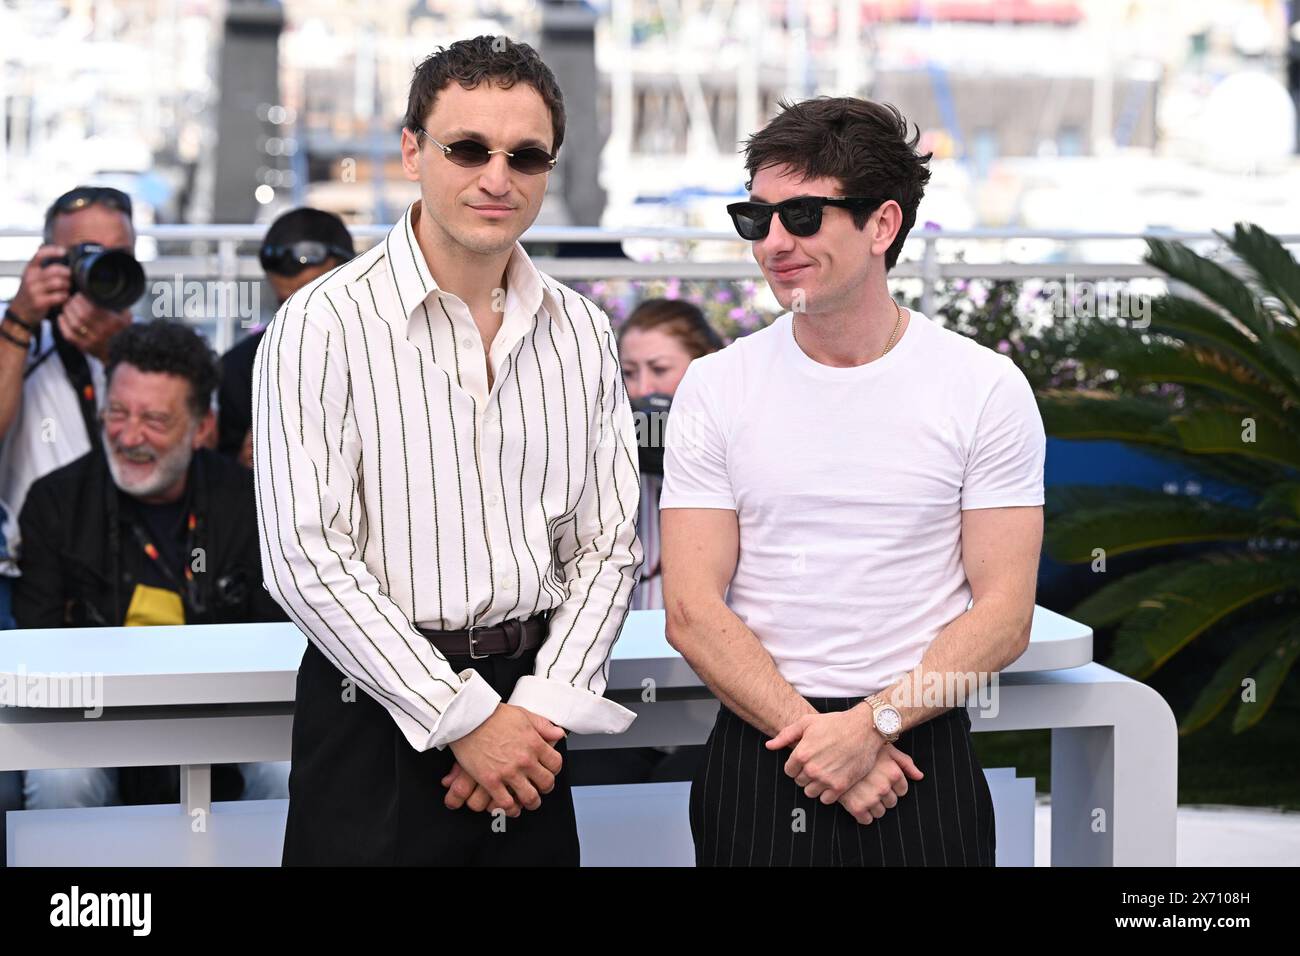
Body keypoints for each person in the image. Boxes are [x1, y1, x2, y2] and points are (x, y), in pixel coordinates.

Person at [253, 35, 643, 866]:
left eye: (525, 156)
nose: (496, 178)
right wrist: (465, 721)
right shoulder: (320, 326)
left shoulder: (583, 332)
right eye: (467, 148)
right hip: (371, 711)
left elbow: (609, 545)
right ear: (411, 150)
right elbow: (303, 557)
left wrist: (532, 716)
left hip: (530, 716)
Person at [660, 96, 1045, 866]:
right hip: (762, 749)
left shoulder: (985, 387)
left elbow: (1004, 615)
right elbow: (690, 609)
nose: (774, 242)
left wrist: (872, 727)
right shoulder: (715, 386)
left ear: (882, 225)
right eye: (756, 218)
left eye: (802, 215)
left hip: (917, 756)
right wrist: (822, 743)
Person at [13, 319, 290, 809]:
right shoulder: (54, 503)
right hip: (89, 715)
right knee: (61, 783)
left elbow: (277, 637)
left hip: (230, 711)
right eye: (117, 412)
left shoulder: (252, 502)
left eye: (156, 421)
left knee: (286, 769)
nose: (129, 436)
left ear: (203, 426)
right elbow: (40, 639)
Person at [0, 187, 138, 616]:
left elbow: (190, 447)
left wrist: (117, 355)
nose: (102, 266)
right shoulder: (14, 329)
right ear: (48, 257)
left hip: (126, 561)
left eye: (119, 254)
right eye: (87, 253)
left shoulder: (149, 343)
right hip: (27, 565)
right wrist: (21, 321)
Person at [217, 208, 355, 467]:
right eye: (286, 305)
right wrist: (246, 463)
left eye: (313, 301)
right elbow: (224, 473)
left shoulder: (393, 353)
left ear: (353, 276)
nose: (300, 318)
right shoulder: (241, 368)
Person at [619, 298, 722, 611]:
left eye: (660, 369)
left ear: (708, 364)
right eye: (629, 372)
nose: (642, 389)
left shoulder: (741, 456)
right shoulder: (610, 465)